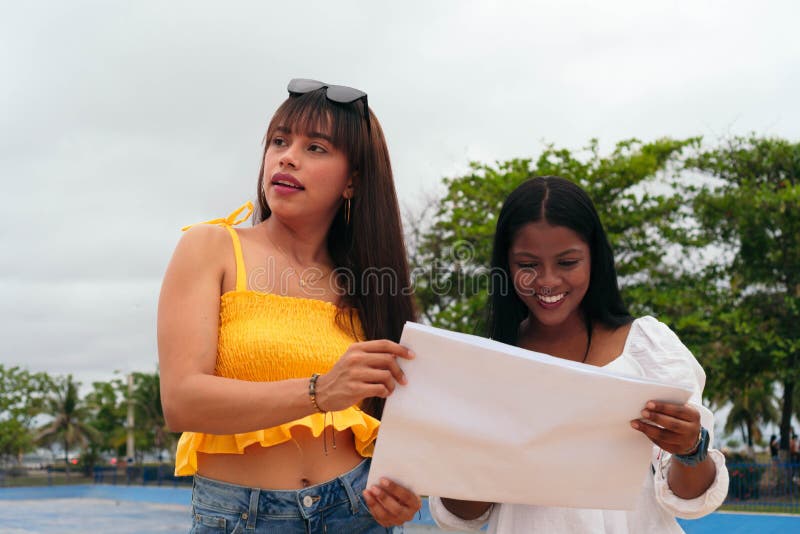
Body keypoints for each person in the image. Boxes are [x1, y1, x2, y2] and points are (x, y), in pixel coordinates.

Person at [158, 79, 421, 533]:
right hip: (243, 515)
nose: (287, 156)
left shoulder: (369, 284)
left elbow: (404, 416)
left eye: (315, 147)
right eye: (279, 141)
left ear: (353, 180)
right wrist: (319, 392)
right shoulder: (211, 247)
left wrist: (403, 490)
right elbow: (181, 401)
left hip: (357, 512)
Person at [428, 176, 729, 533]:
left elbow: (689, 498)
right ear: (505, 266)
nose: (548, 281)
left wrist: (690, 448)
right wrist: (483, 453)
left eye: (568, 262)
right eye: (527, 265)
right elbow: (461, 514)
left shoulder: (648, 348)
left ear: (595, 259)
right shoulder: (489, 364)